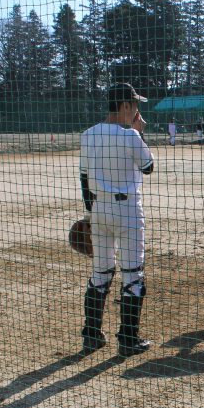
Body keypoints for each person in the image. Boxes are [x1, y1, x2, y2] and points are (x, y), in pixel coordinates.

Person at [79, 83, 155, 357]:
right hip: (128, 212)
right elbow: (148, 167)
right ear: (125, 106)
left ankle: (91, 335)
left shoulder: (88, 135)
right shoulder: (130, 136)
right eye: (135, 106)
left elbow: (84, 179)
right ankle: (128, 339)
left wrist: (89, 213)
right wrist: (139, 132)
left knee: (100, 273)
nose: (137, 112)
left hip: (99, 210)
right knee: (133, 274)